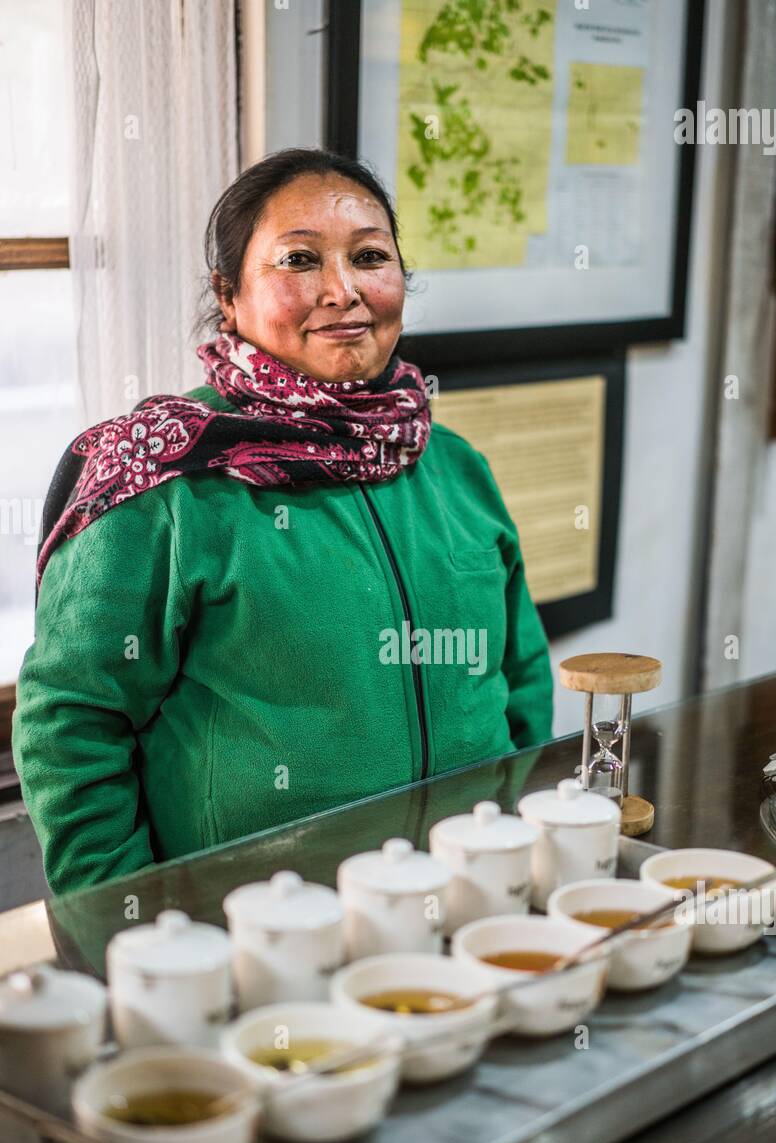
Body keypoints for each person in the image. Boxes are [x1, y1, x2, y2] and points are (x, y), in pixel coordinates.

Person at [12, 148, 553, 898]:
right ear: (227, 295)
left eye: (369, 256)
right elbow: (72, 724)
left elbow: (520, 675)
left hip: (469, 901)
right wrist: (124, 922)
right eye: (299, 260)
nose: (342, 291)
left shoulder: (451, 464)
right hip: (255, 931)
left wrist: (515, 841)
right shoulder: (162, 480)